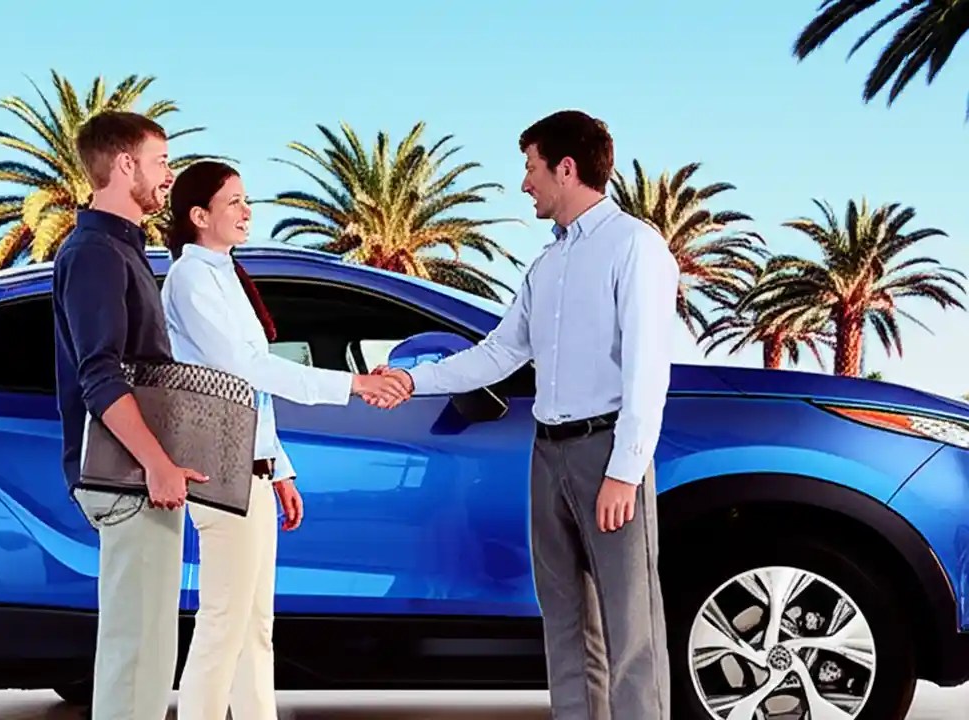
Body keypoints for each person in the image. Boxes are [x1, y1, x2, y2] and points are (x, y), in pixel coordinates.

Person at [377, 110, 678, 720]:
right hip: (548, 454)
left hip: (605, 453)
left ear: (566, 169)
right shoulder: (547, 266)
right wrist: (413, 378)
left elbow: (649, 368)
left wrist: (625, 469)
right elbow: (498, 353)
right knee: (564, 623)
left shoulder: (636, 247)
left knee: (631, 630)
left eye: (531, 169)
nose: (525, 185)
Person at [159, 160, 410, 720]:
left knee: (253, 624)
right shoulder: (193, 277)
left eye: (247, 200)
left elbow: (253, 390)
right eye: (233, 202)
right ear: (199, 216)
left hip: (250, 467)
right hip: (220, 469)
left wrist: (279, 468)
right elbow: (246, 369)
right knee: (226, 620)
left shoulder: (223, 272)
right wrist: (354, 384)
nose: (247, 211)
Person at [52, 110, 207, 720]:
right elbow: (100, 374)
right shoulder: (94, 253)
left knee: (145, 648)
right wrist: (158, 464)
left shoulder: (119, 249)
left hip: (138, 477)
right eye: (160, 161)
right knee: (136, 653)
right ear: (124, 165)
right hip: (129, 478)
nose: (168, 175)